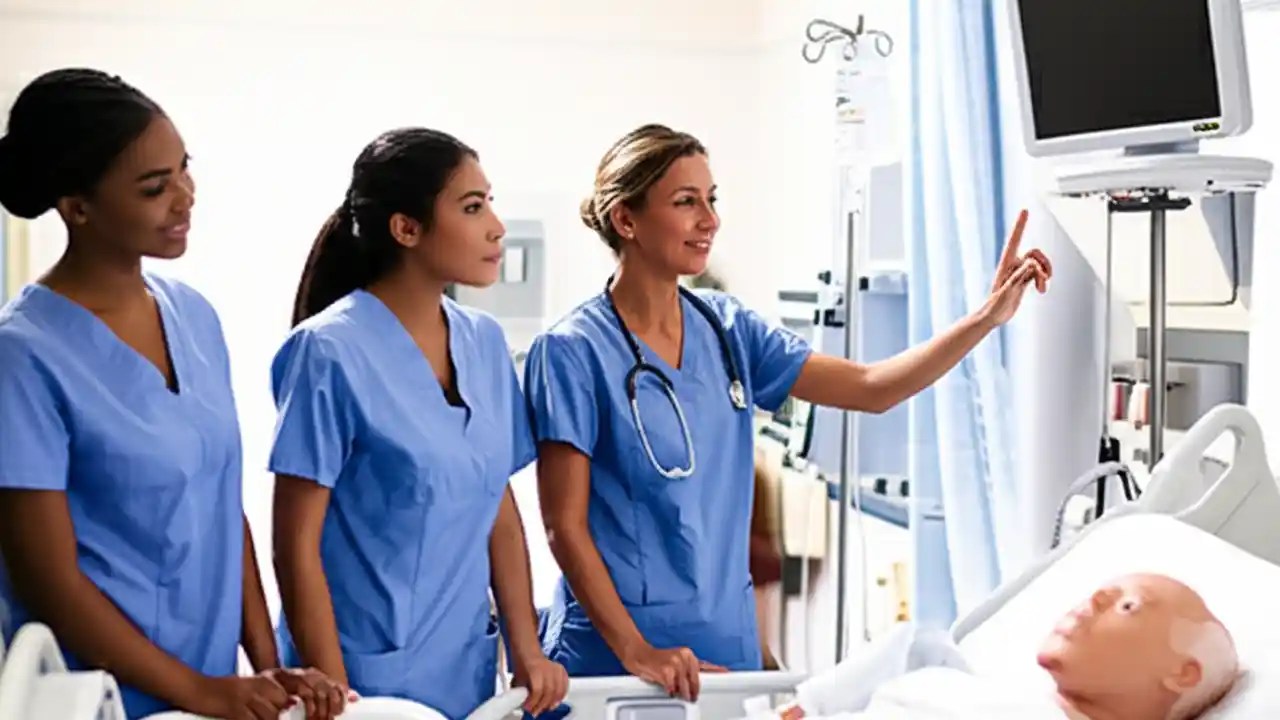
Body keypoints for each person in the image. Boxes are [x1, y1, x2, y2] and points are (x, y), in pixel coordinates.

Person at [524, 123, 1052, 700]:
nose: (710, 219)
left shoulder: (726, 329)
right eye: (686, 202)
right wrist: (636, 650)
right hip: (615, 659)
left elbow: (873, 387)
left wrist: (985, 319)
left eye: (711, 199)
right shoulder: (571, 351)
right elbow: (563, 525)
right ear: (626, 220)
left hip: (722, 654)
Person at [0, 68, 342, 720]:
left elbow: (221, 505)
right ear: (78, 207)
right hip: (97, 697)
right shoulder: (23, 355)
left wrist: (267, 666)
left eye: (184, 169)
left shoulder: (194, 315)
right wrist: (199, 691)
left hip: (209, 694)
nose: (185, 197)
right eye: (155, 188)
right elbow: (50, 582)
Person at [269, 127, 570, 720]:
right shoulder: (328, 352)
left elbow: (499, 511)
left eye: (490, 203)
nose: (497, 226)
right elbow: (295, 544)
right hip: (360, 674)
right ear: (406, 229)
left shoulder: (483, 343)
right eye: (472, 207)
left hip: (464, 673)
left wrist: (525, 648)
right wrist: (335, 692)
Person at [771, 572, 1239, 719]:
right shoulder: (987, 688)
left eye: (1129, 606)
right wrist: (805, 706)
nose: (1094, 597)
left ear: (1182, 674)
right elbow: (916, 646)